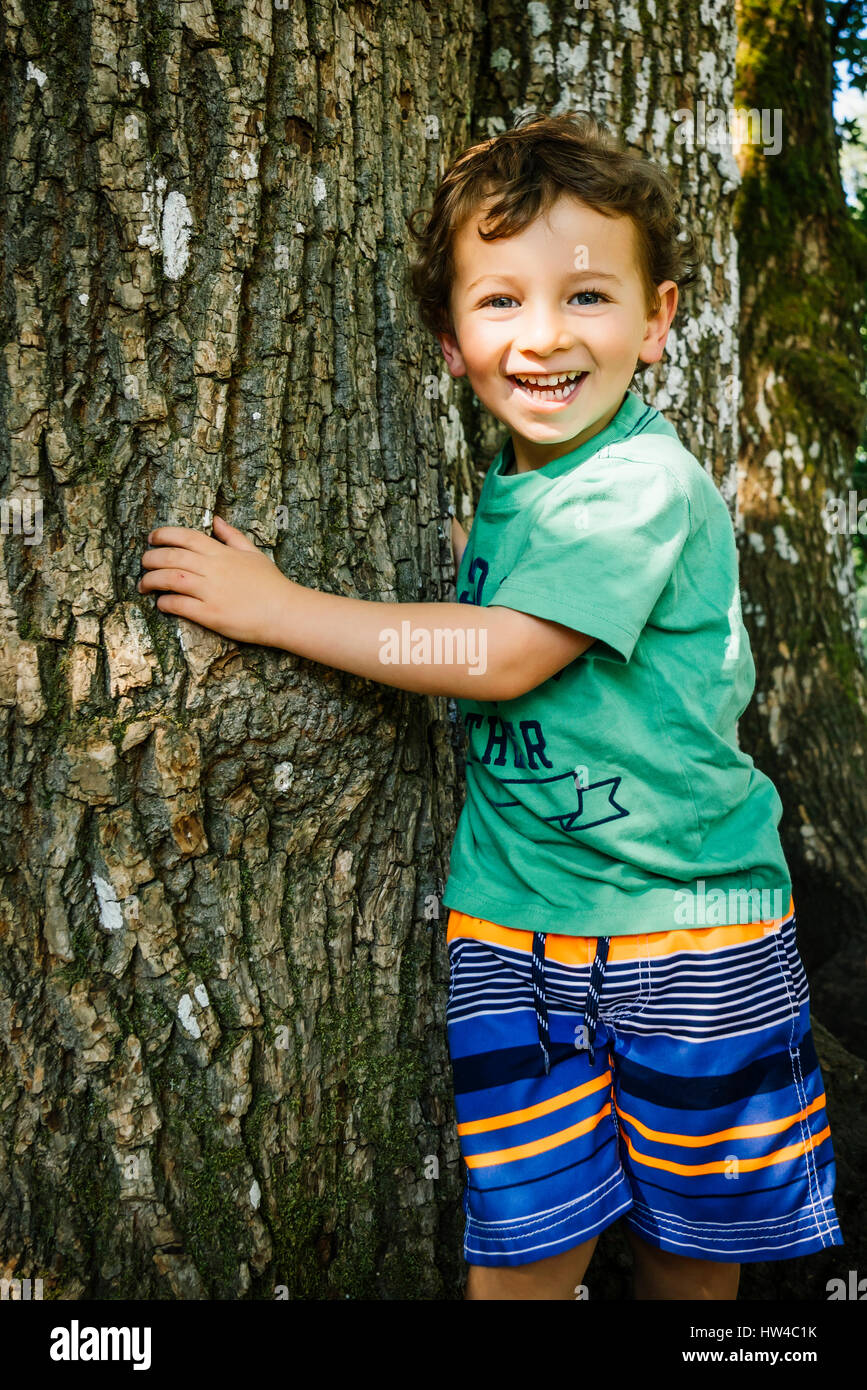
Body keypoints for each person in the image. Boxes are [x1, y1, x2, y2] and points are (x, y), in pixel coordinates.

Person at [138, 109, 844, 1300]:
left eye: (587, 297)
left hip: (692, 932)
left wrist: (275, 607)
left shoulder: (641, 483)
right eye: (500, 301)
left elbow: (506, 655)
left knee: (693, 1251)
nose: (544, 336)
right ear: (452, 339)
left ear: (659, 321)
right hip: (514, 934)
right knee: (520, 1254)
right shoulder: (517, 484)